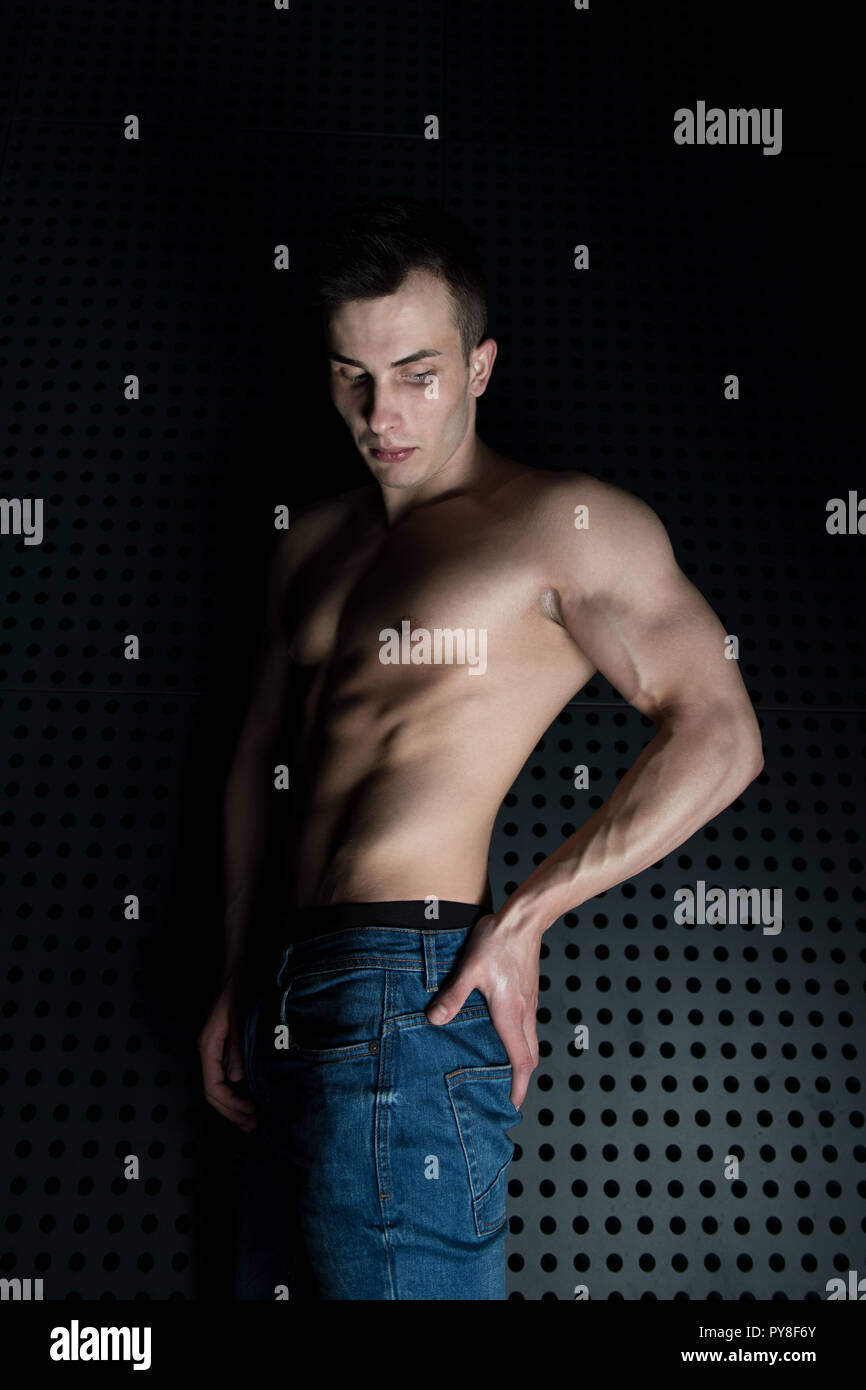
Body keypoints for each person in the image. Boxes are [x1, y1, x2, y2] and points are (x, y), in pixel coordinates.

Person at [197, 196, 764, 1300]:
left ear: (479, 364)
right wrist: (233, 970)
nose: (381, 411)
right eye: (351, 375)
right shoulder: (306, 545)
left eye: (416, 371)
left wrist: (523, 916)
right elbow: (254, 770)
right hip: (279, 988)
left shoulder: (561, 522)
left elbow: (721, 736)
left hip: (408, 992)